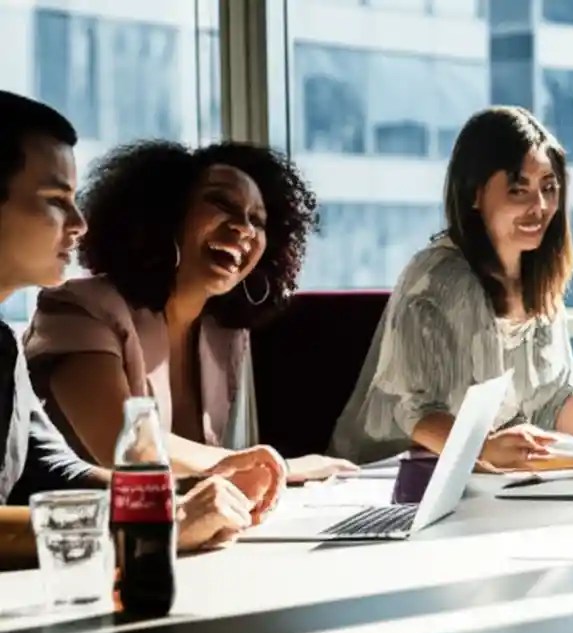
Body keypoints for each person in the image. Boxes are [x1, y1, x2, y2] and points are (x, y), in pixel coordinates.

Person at [0, 90, 260, 567]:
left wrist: (174, 503)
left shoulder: (0, 344)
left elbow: (50, 472)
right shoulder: (82, 309)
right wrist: (151, 526)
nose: (79, 224)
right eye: (56, 200)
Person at [23, 139, 356, 488]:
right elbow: (126, 447)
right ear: (166, 214)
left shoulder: (224, 333)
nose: (243, 228)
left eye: (257, 220)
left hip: (175, 529)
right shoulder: (78, 307)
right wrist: (277, 467)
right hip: (75, 531)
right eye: (220, 203)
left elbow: (191, 477)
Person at [331, 106, 573, 468]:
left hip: (476, 477)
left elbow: (552, 399)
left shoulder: (537, 278)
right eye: (518, 190)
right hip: (385, 479)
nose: (540, 206)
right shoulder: (437, 279)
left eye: (548, 188)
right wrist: (481, 448)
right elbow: (414, 412)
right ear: (474, 194)